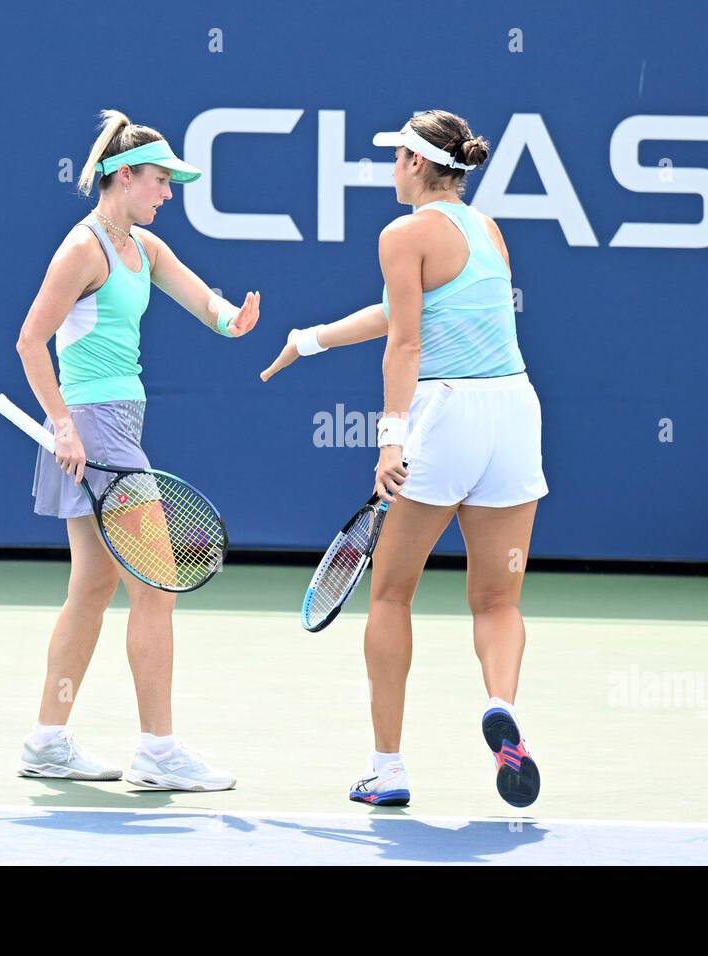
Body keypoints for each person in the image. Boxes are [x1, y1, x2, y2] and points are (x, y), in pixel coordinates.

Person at [261, 109, 547, 808]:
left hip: (445, 418)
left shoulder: (402, 233)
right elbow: (405, 311)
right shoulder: (486, 229)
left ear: (418, 164)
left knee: (391, 594)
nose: (390, 169)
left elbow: (408, 345)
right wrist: (314, 338)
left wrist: (392, 436)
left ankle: (387, 770)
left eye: (395, 157)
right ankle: (500, 704)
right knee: (497, 598)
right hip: (513, 413)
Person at [14, 109, 259, 790]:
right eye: (159, 180)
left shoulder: (144, 249)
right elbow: (31, 341)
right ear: (123, 178)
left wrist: (231, 320)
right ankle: (158, 750)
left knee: (92, 589)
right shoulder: (82, 250)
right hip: (96, 432)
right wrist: (62, 424)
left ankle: (46, 739)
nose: (168, 192)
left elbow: (201, 299)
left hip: (117, 425)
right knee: (157, 589)